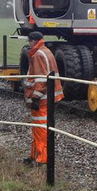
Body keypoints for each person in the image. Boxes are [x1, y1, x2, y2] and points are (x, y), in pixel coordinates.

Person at [23, 31, 63, 165]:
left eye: (29, 41)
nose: (29, 44)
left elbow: (41, 80)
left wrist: (35, 98)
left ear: (33, 41)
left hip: (42, 100)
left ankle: (42, 158)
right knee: (39, 128)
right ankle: (34, 155)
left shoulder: (38, 55)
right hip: (49, 97)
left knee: (40, 129)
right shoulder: (46, 51)